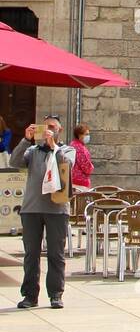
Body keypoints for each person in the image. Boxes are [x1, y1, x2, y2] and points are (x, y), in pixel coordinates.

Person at [9, 115, 77, 310]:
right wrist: (25, 139)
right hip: (32, 208)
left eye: (52, 127)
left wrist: (53, 145)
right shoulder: (32, 151)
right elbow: (15, 162)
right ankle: (30, 295)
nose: (48, 129)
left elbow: (67, 165)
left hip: (57, 210)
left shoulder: (66, 150)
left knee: (56, 254)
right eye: (45, 126)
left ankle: (55, 294)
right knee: (31, 254)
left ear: (59, 130)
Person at [70, 122, 94, 192]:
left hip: (73, 180)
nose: (88, 136)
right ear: (79, 135)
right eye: (86, 134)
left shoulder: (73, 144)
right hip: (80, 182)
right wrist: (91, 167)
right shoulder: (80, 148)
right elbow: (86, 166)